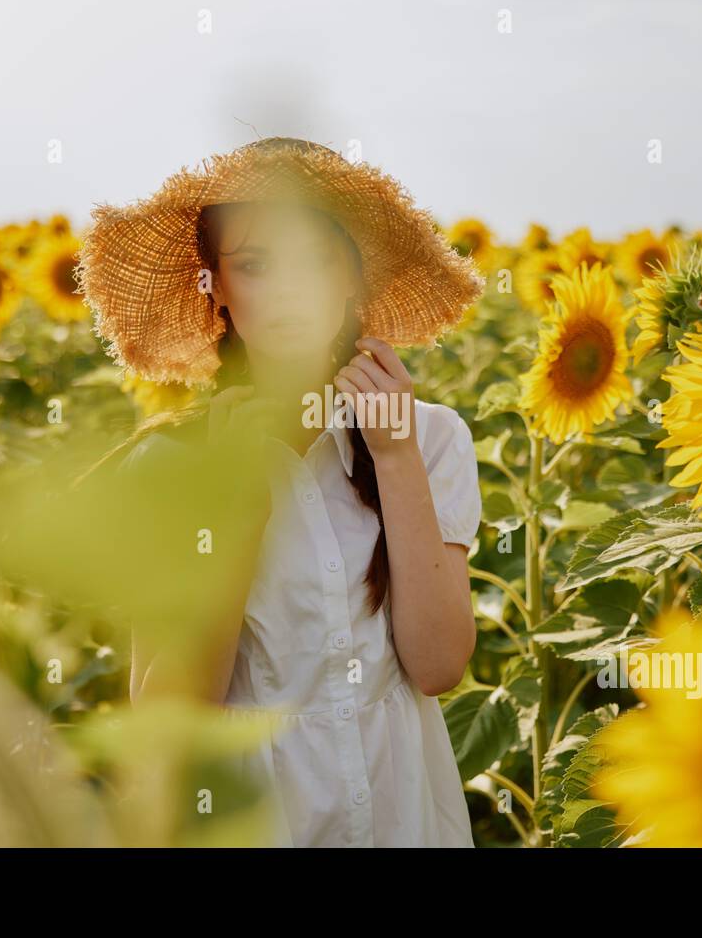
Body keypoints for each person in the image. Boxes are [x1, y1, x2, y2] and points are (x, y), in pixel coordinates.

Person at [77, 136, 485, 846]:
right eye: (257, 265)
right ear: (218, 290)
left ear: (353, 277)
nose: (291, 289)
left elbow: (439, 662)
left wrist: (394, 458)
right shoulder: (177, 465)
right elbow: (170, 709)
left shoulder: (432, 438)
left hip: (397, 816)